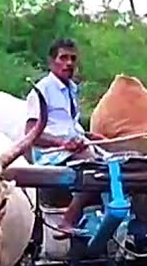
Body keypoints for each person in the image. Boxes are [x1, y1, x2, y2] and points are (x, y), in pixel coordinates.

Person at [24, 38, 104, 235]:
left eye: (73, 58)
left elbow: (67, 125)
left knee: (121, 163)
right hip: (52, 154)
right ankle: (67, 220)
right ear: (52, 62)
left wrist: (88, 136)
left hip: (74, 150)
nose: (69, 63)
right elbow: (31, 133)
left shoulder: (72, 89)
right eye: (64, 58)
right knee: (93, 166)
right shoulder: (42, 90)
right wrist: (63, 143)